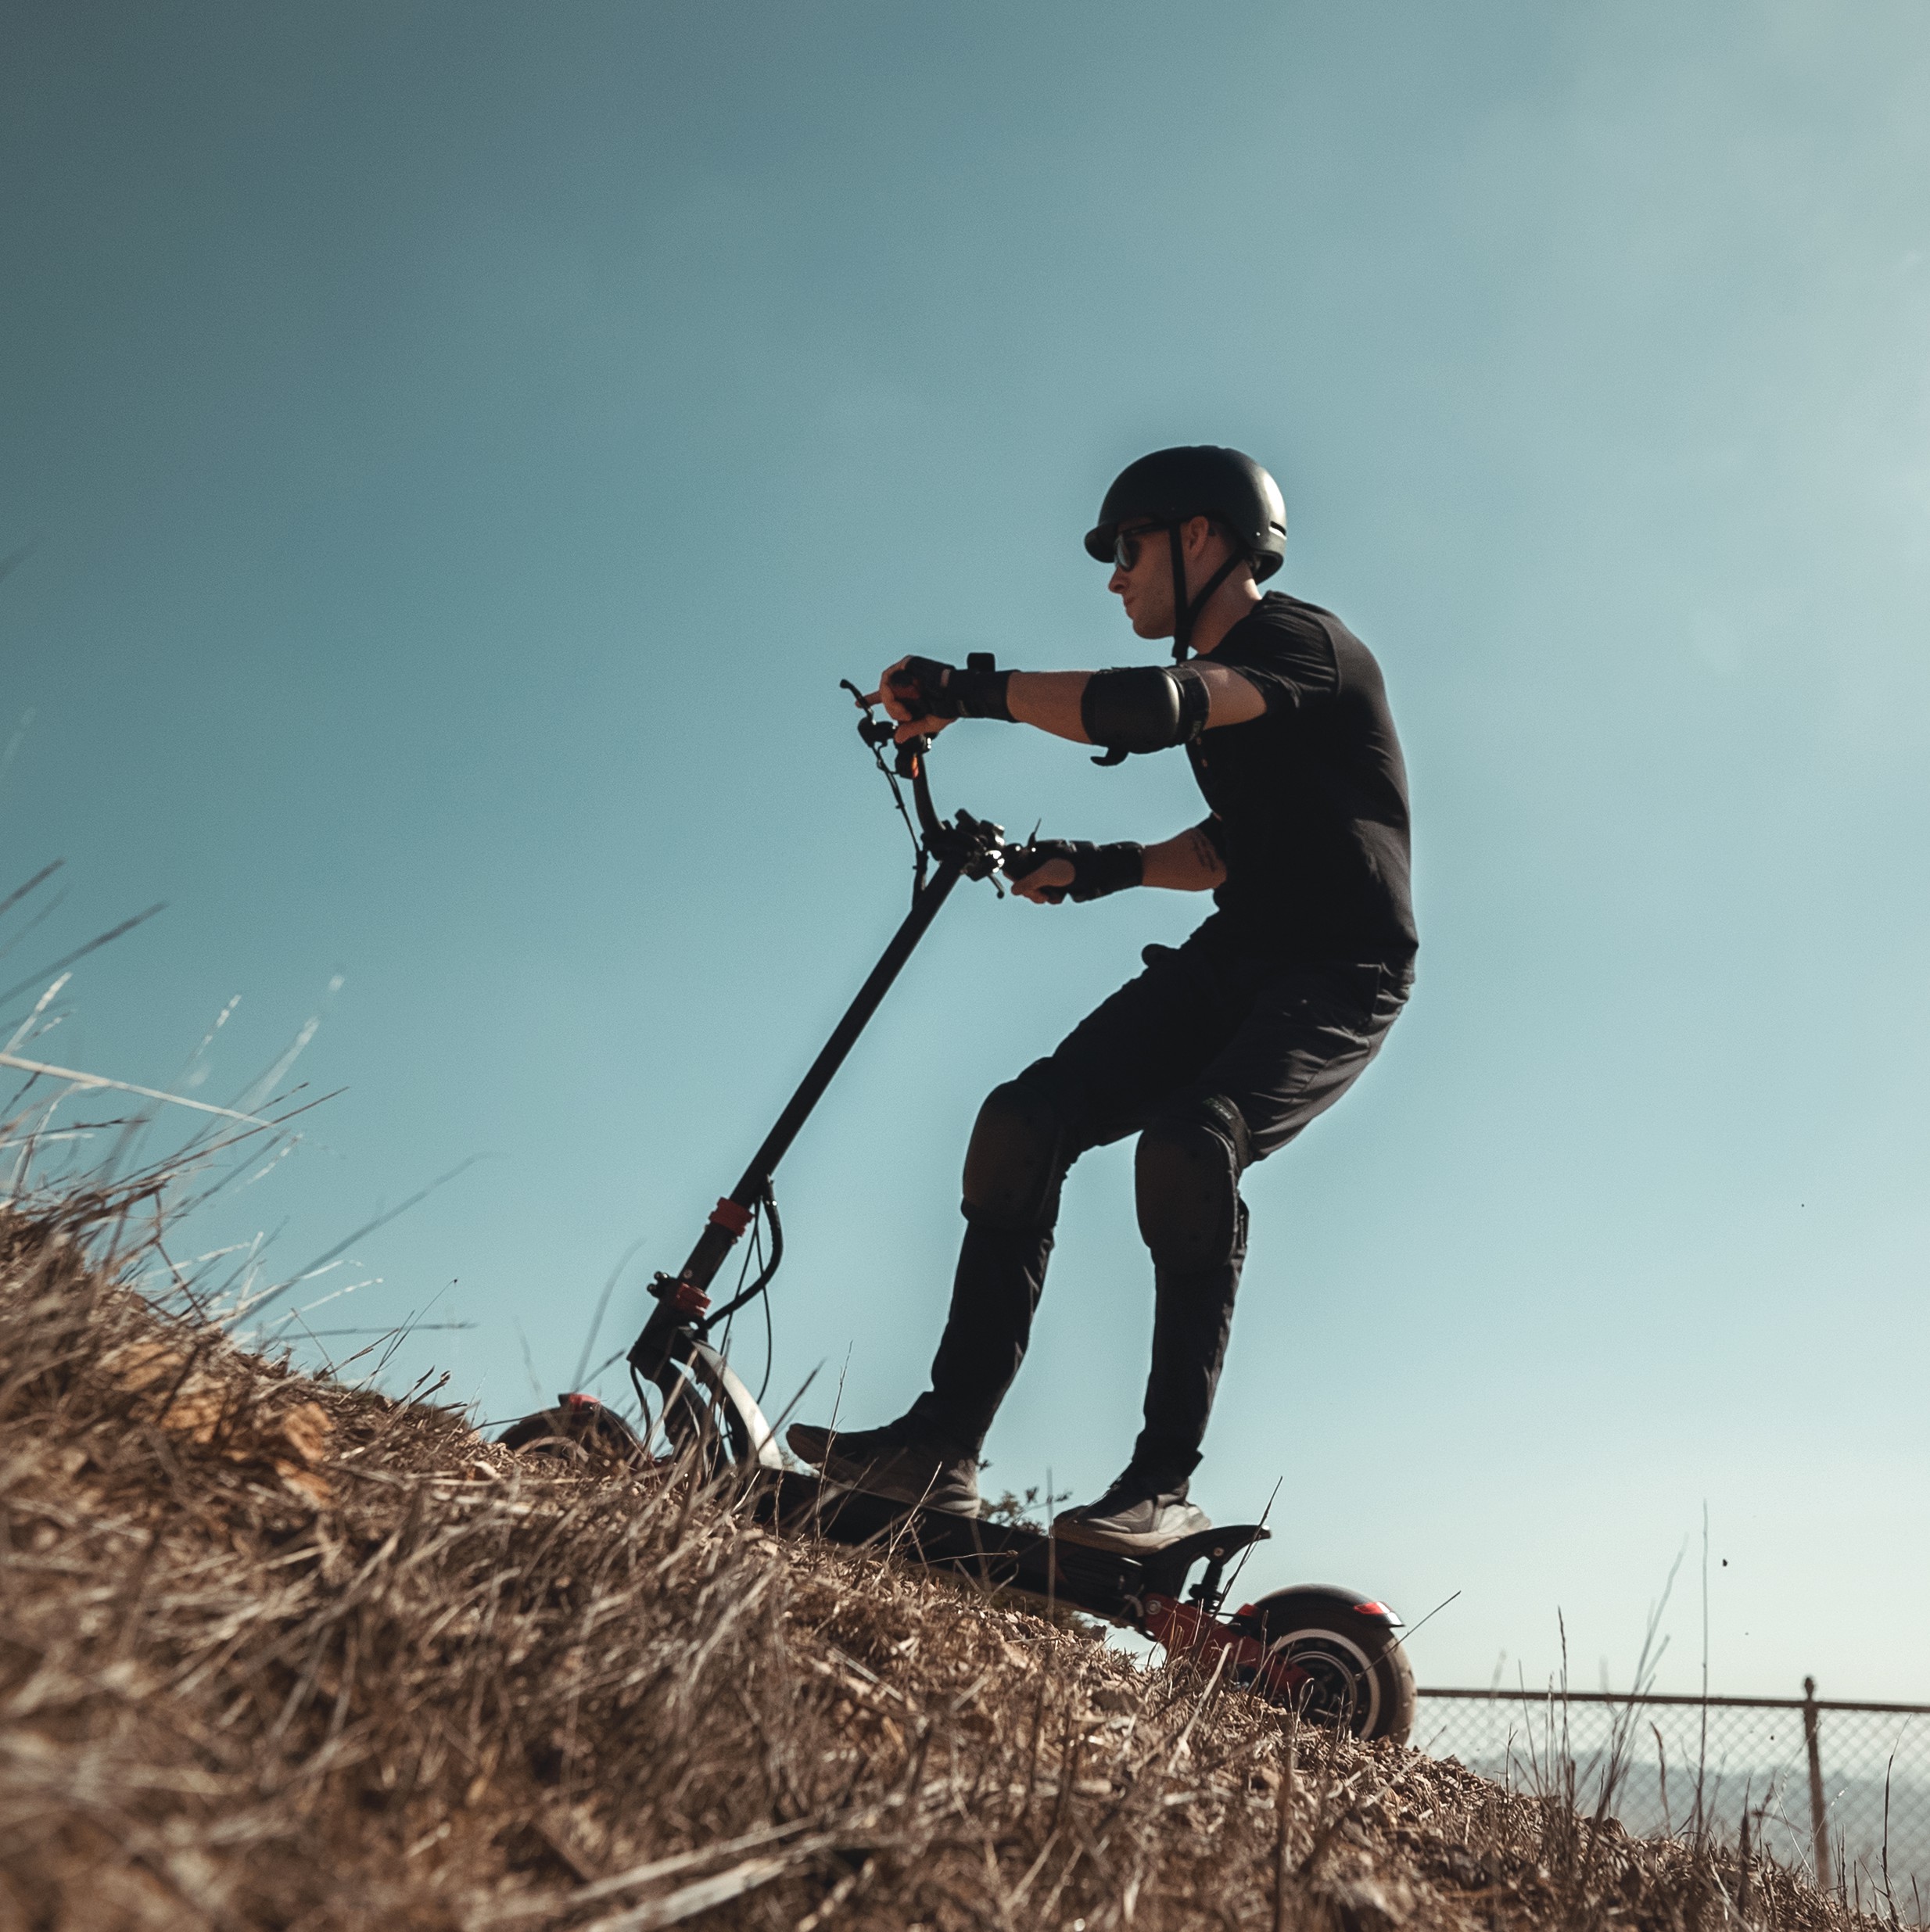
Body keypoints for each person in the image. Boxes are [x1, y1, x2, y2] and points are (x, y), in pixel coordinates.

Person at [787, 446, 1417, 1553]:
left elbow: (1151, 708)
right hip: (1241, 951)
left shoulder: (1294, 645)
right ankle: (942, 1448)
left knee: (1189, 1142)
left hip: (1341, 972)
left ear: (1203, 539)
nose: (1116, 577)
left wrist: (971, 695)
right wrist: (1103, 865)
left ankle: (1160, 1487)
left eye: (1128, 549)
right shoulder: (1245, 701)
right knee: (1022, 1123)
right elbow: (1233, 846)